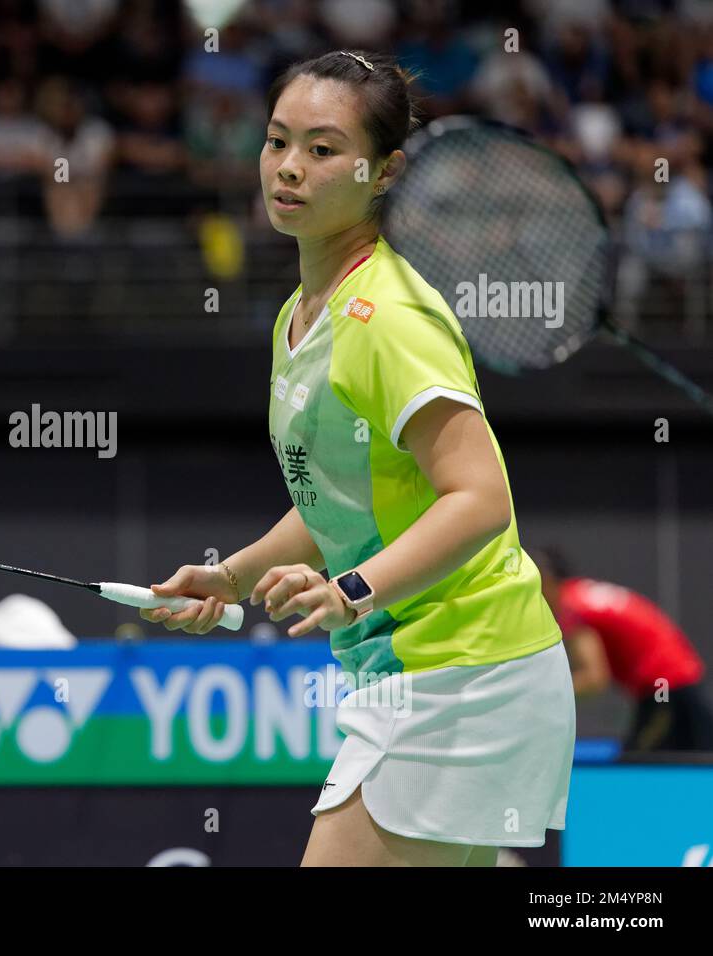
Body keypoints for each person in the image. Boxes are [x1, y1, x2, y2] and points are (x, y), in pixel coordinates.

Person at [140, 50, 574, 867]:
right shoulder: (303, 316)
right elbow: (337, 500)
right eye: (277, 141)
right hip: (420, 669)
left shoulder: (388, 317)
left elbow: (480, 499)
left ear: (384, 171)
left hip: (460, 668)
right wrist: (231, 577)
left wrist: (352, 590)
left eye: (324, 148)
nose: (290, 168)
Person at [531, 547, 713, 753]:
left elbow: (594, 678)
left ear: (546, 580)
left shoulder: (571, 608)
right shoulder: (581, 592)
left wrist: (539, 697)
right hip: (671, 679)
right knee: (691, 755)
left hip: (663, 686)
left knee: (642, 759)